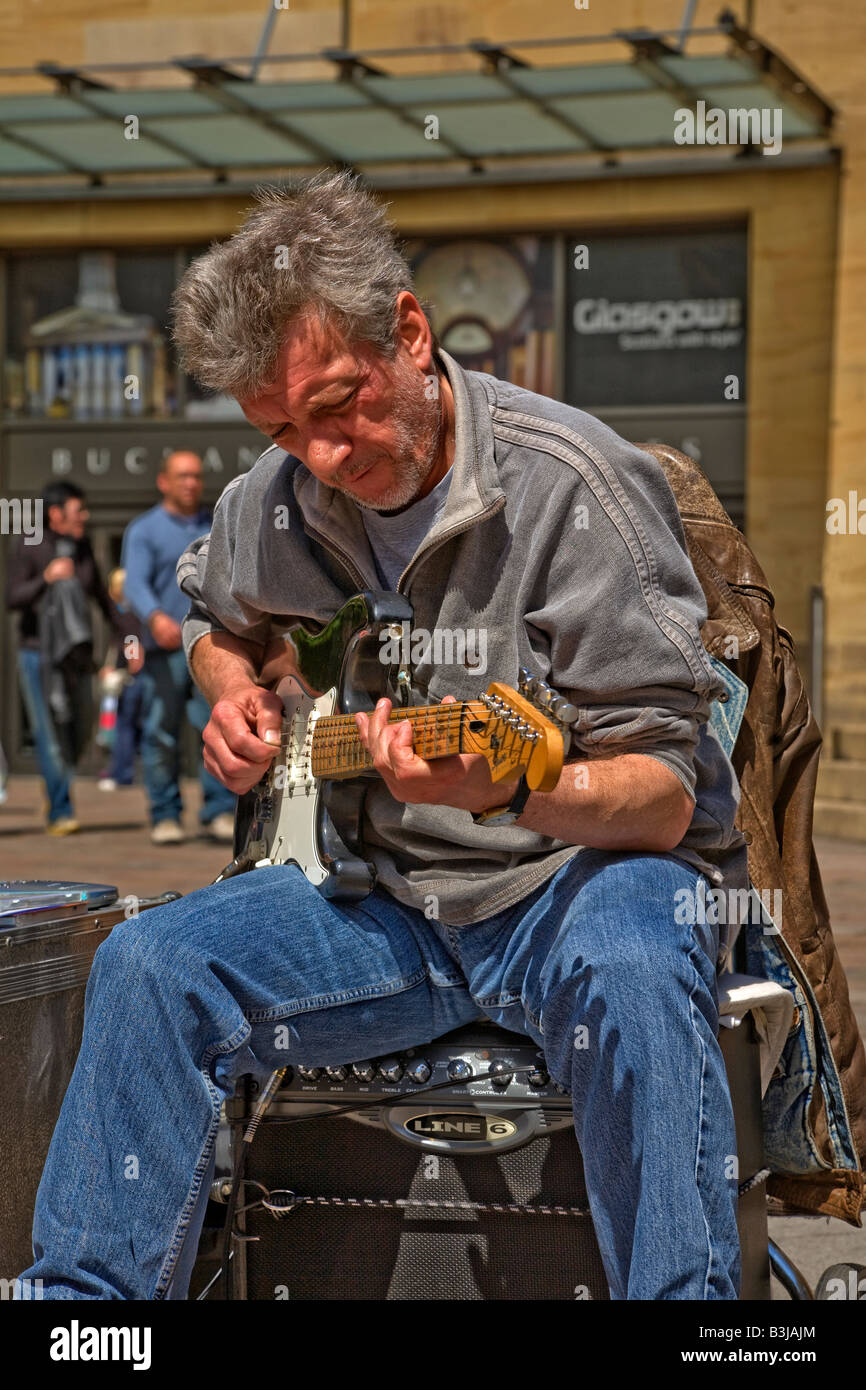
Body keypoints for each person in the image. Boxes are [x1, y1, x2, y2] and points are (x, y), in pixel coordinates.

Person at [19, 171, 751, 1300]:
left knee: (632, 963)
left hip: (584, 883)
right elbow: (218, 615)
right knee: (149, 961)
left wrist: (510, 793)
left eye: (338, 404)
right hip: (396, 906)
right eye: (279, 428)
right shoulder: (279, 497)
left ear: (409, 330)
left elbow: (660, 793)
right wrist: (229, 692)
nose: (319, 455)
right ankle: (85, 1316)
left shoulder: (577, 486)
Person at [121, 451, 236, 844]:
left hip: (211, 644)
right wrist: (155, 617)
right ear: (164, 481)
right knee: (161, 733)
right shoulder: (145, 529)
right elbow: (134, 583)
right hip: (164, 649)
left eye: (196, 477)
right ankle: (165, 815)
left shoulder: (215, 523)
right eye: (183, 476)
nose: (191, 483)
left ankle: (219, 810)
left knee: (215, 727)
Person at [5, 479, 120, 835]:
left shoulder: (83, 547)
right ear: (55, 514)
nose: (84, 516)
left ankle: (54, 787)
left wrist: (129, 638)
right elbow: (12, 597)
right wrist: (45, 577)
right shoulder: (30, 543)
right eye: (78, 510)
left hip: (76, 658)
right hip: (38, 655)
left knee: (82, 728)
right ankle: (60, 811)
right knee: (50, 734)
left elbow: (102, 597)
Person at [96, 568, 145, 790]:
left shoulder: (129, 610)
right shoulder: (125, 609)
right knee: (122, 722)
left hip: (132, 674)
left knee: (126, 723)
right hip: (127, 671)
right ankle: (120, 769)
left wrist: (129, 660)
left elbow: (130, 637)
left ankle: (122, 772)